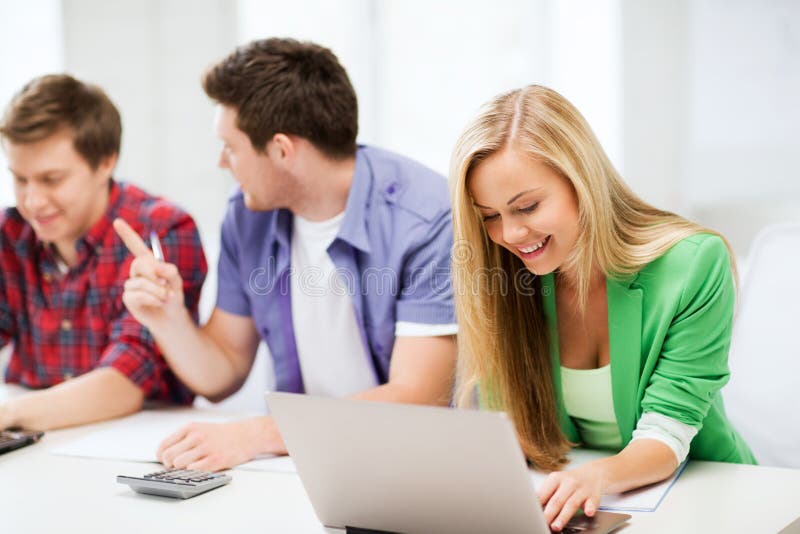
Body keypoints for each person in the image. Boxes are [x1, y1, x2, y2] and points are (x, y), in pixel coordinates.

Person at [114, 38, 457, 471]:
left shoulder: (426, 218)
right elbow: (221, 373)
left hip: (409, 463)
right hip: (300, 463)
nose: (223, 162)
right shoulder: (247, 215)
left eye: (231, 147)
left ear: (281, 150)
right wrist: (168, 318)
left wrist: (257, 434)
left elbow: (417, 398)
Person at [449, 85, 754, 531]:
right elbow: (510, 434)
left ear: (581, 181)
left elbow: (667, 434)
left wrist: (596, 476)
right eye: (490, 216)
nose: (510, 234)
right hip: (573, 509)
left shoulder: (693, 264)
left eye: (527, 206)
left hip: (704, 500)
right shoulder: (504, 277)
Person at [0, 74, 207, 431]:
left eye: (52, 180)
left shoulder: (163, 230)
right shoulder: (11, 232)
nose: (32, 201)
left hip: (134, 445)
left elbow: (125, 382)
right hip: (35, 438)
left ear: (106, 162)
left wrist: (11, 414)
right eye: (20, 179)